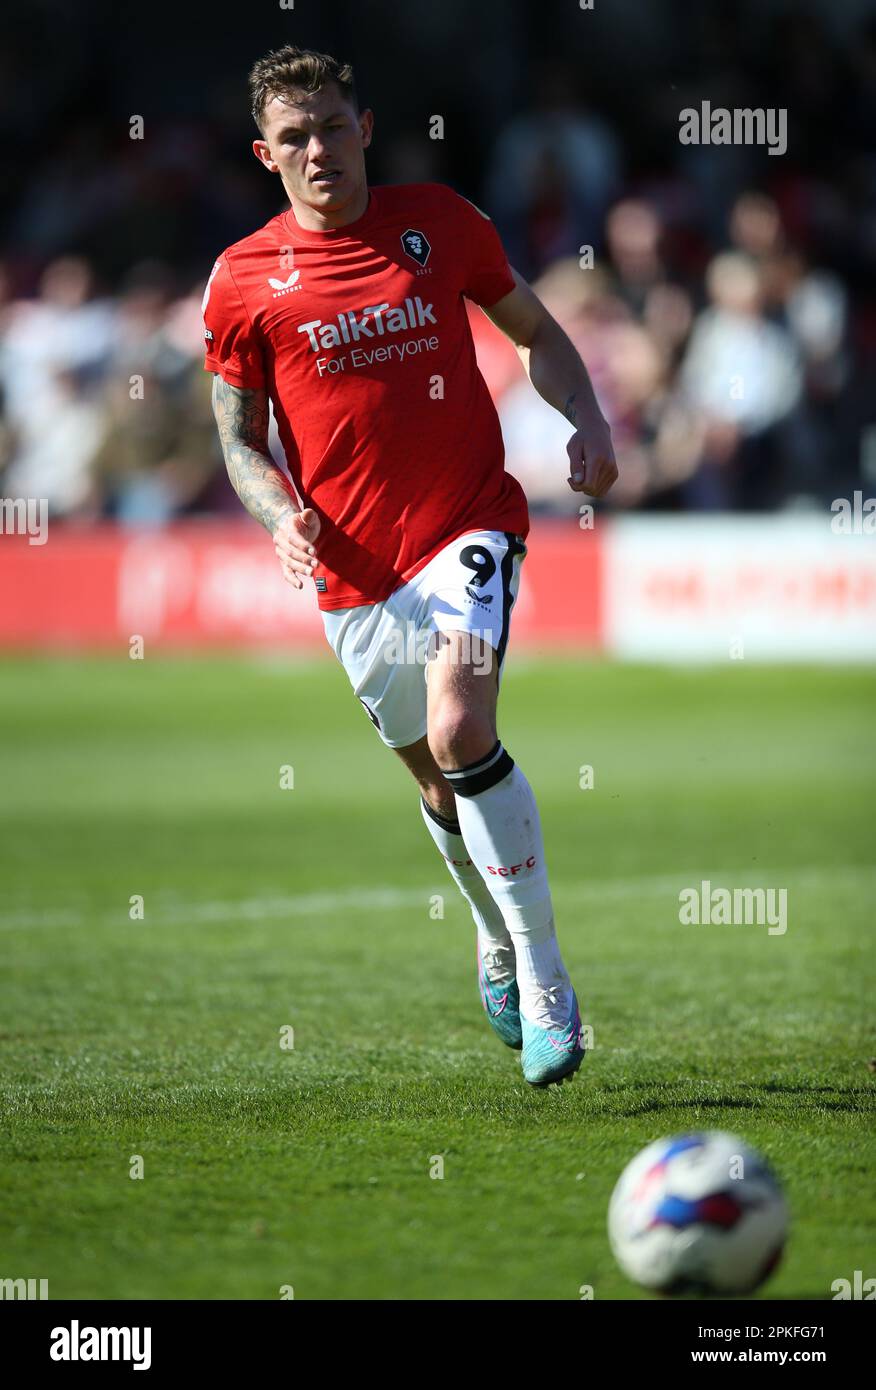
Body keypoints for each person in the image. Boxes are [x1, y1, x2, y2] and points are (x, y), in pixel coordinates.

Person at [204, 46, 617, 1086]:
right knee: (435, 781)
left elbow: (532, 327)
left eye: (332, 127)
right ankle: (489, 932)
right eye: (293, 137)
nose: (318, 150)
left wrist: (586, 416)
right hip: (352, 569)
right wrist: (276, 514)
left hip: (467, 523)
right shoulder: (243, 279)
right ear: (266, 154)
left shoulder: (440, 222)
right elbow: (240, 438)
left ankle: (548, 979)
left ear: (365, 127)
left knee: (460, 725)